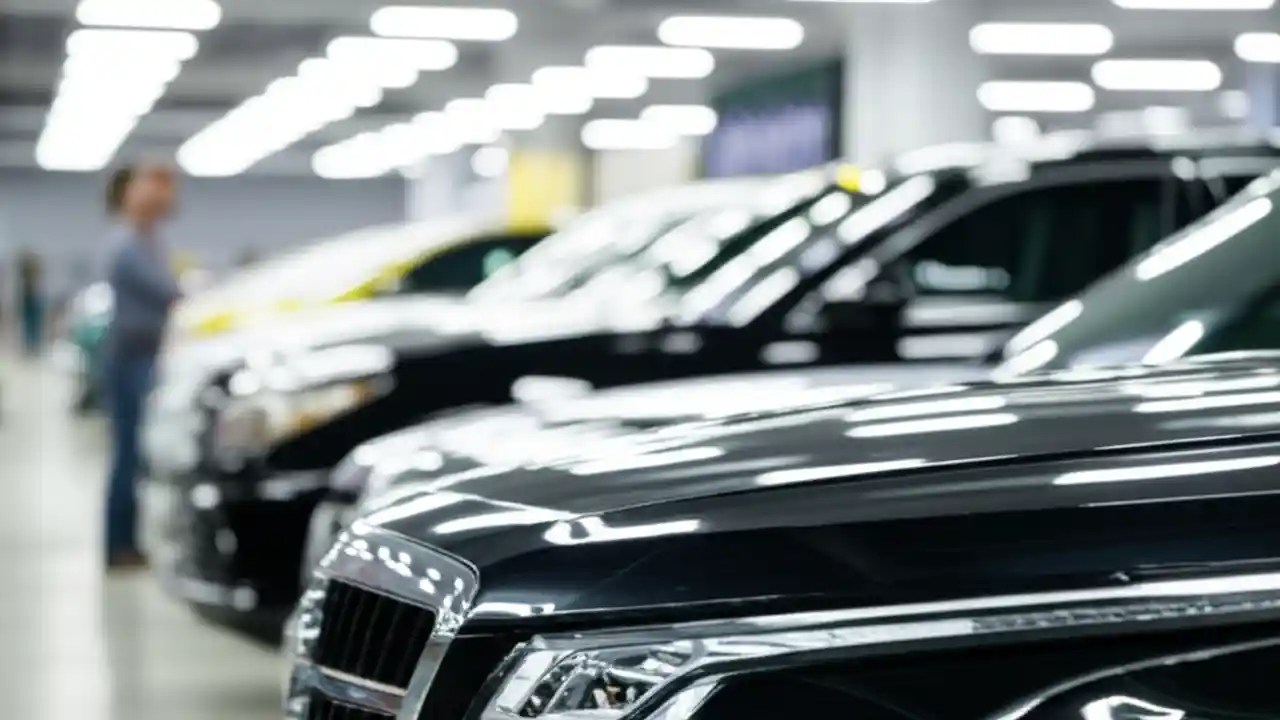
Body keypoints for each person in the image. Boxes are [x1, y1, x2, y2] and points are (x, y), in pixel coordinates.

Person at [102, 161, 182, 569]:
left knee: (136, 452)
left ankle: (127, 541)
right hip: (130, 357)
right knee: (129, 452)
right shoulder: (128, 243)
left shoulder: (149, 241)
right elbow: (167, 291)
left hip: (144, 354)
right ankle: (118, 546)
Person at [18, 250, 44, 355]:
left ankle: (34, 346)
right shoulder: (26, 274)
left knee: (33, 324)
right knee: (29, 324)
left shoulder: (34, 272)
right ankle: (30, 347)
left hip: (33, 299)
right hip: (29, 299)